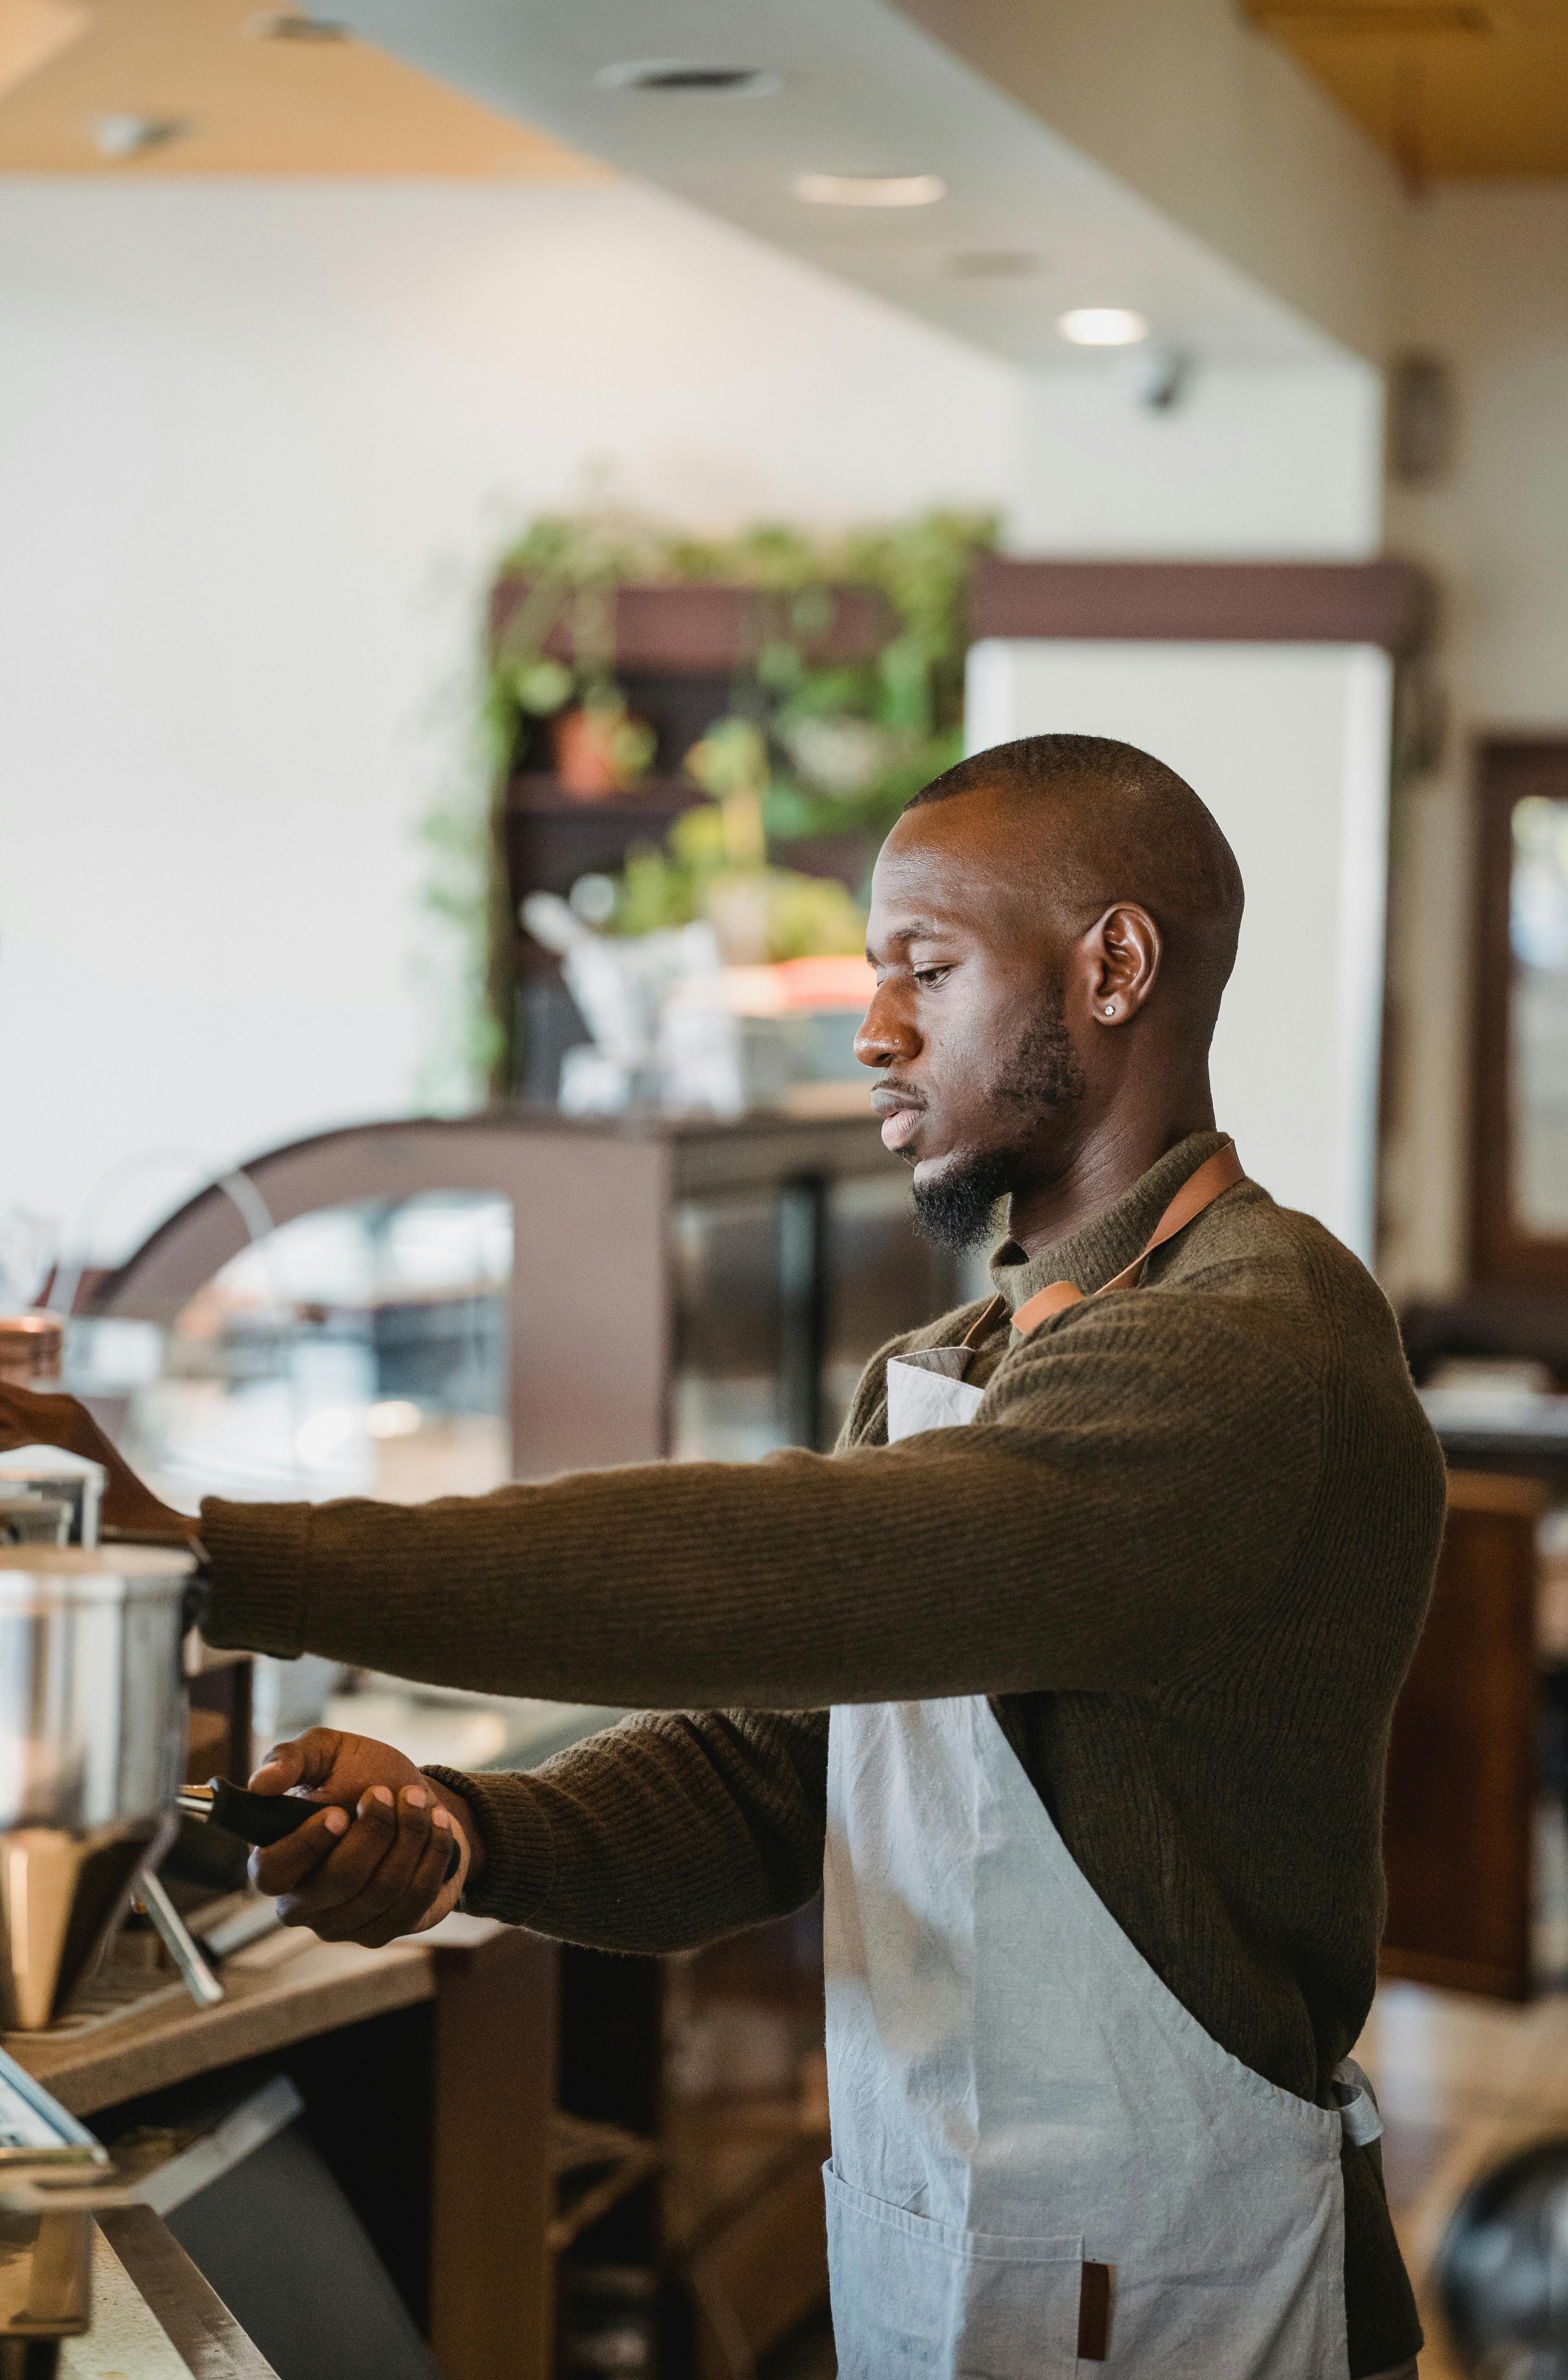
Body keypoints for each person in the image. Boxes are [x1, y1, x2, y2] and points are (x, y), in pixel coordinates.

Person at [2, 733, 1443, 2379]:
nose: (870, 1031)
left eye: (925, 967)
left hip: (1206, 2302)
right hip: (944, 2270)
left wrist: (207, 1557)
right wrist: (473, 1831)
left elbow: (838, 1571)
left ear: (1113, 966)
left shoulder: (1257, 1340)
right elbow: (777, 1787)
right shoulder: (964, 1360)